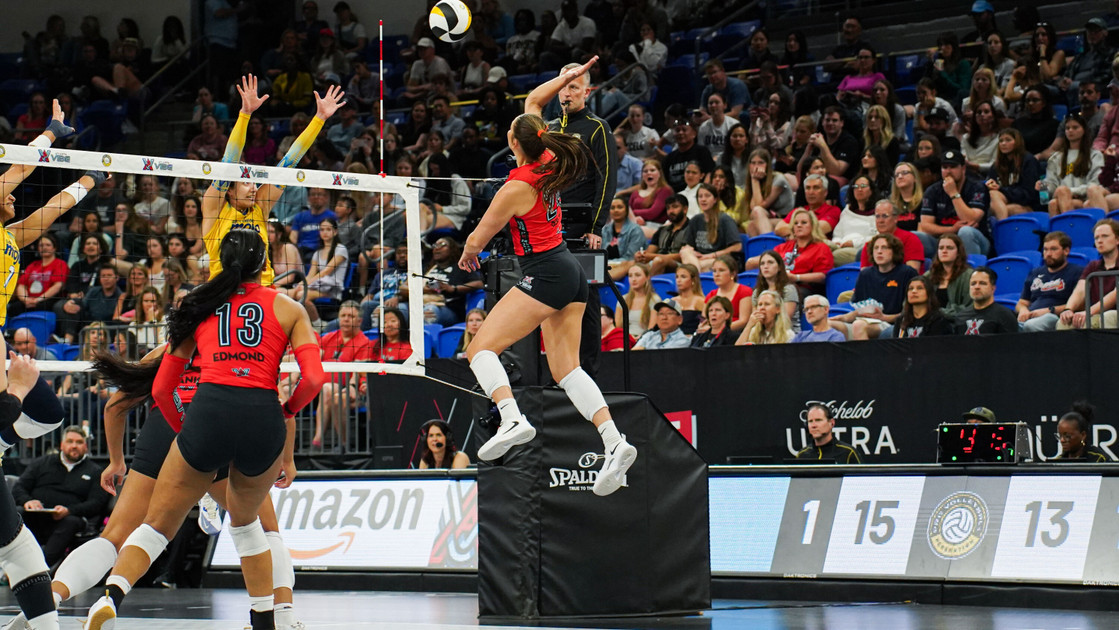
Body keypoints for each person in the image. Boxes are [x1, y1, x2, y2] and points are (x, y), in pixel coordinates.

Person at [83, 230, 326, 630]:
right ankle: (268, 619)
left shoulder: (200, 308)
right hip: (263, 416)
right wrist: (285, 409)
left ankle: (111, 596)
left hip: (209, 412)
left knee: (158, 523)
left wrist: (187, 431)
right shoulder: (289, 308)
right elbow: (314, 380)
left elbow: (162, 388)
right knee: (251, 527)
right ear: (264, 265)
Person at [457, 58, 637, 497]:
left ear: (513, 144)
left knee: (480, 347)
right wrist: (570, 78)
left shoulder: (516, 186)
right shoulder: (552, 157)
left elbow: (478, 239)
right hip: (570, 269)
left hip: (547, 273)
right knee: (567, 370)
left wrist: (466, 256)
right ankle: (615, 443)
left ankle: (512, 417)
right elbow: (536, 101)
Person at [203, 75, 343, 287]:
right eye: (246, 183)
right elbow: (229, 162)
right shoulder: (214, 210)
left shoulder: (260, 207)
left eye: (253, 182)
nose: (253, 188)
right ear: (229, 190)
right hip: (223, 290)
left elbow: (289, 163)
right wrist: (245, 114)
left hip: (262, 289)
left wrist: (319, 119)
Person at [13, 426, 109, 567]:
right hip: (36, 516)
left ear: (86, 447)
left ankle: (38, 569)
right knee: (17, 514)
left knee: (71, 522)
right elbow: (19, 488)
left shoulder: (96, 471)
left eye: (79, 442)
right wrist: (28, 501)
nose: (74, 446)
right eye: (70, 441)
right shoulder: (41, 463)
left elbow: (97, 503)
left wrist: (69, 510)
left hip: (69, 520)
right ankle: (12, 564)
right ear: (62, 445)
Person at [829, 234, 918, 340]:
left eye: (884, 247)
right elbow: (860, 309)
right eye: (876, 248)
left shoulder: (907, 273)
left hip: (892, 324)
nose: (879, 251)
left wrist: (884, 317)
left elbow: (913, 312)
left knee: (858, 325)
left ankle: (865, 357)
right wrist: (843, 317)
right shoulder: (865, 274)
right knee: (830, 324)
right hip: (866, 321)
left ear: (895, 251)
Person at [314, 301, 374, 450]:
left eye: (351, 316)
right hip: (320, 389)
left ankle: (335, 442)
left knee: (331, 392)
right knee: (327, 389)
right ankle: (320, 440)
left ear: (360, 321)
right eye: (343, 316)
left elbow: (358, 371)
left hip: (353, 392)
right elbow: (314, 356)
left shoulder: (364, 343)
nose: (346, 319)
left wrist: (353, 386)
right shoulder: (329, 337)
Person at [919, 149, 991, 255]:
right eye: (945, 167)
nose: (948, 171)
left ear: (963, 169)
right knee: (916, 236)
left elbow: (970, 219)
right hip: (943, 242)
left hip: (977, 240)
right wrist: (952, 229)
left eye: (953, 167)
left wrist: (953, 193)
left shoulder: (977, 188)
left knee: (965, 231)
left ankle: (971, 270)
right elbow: (926, 226)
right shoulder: (932, 190)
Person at [752, 208, 835, 297]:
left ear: (813, 226)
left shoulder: (821, 248)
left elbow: (822, 276)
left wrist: (796, 277)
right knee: (756, 293)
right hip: (776, 285)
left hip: (802, 288)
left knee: (784, 293)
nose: (799, 225)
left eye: (804, 222)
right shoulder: (783, 247)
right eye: (796, 223)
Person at [1058, 219, 1119, 330]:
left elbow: (1116, 294)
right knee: (1063, 323)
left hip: (1112, 314)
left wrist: (1089, 312)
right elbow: (1080, 290)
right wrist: (1068, 309)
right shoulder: (1093, 266)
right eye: (1096, 238)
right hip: (1096, 313)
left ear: (1117, 240)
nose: (1100, 241)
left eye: (1105, 236)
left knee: (1107, 317)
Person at [1017, 232, 1082, 332]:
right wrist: (1023, 310)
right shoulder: (1035, 273)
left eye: (1053, 249)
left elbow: (1080, 304)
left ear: (1066, 251)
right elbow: (1022, 302)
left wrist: (1050, 310)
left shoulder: (1077, 272)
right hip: (1031, 316)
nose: (1048, 254)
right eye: (1045, 249)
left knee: (1030, 325)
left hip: (1056, 317)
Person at [1041, 114, 1103, 216]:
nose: (1070, 131)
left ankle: (1070, 227)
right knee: (1053, 203)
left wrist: (1069, 191)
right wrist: (1043, 186)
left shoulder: (1095, 155)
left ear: (1084, 130)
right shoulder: (1056, 158)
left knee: (1061, 191)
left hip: (1086, 199)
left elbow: (1095, 184)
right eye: (1067, 128)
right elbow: (1050, 185)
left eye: (1075, 127)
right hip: (1062, 197)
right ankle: (1063, 230)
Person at [679, 184, 741, 272]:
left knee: (696, 266)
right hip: (699, 259)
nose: (703, 199)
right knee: (684, 251)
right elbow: (689, 245)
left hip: (720, 259)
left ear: (715, 199)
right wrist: (693, 253)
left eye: (707, 196)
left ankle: (694, 273)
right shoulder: (695, 220)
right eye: (700, 196)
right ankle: (695, 272)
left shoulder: (725, 220)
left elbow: (737, 247)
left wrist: (712, 255)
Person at [987, 128, 1043, 219]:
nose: (1003, 143)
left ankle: (1002, 231)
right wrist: (989, 185)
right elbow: (991, 184)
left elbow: (1029, 194)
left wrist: (1001, 189)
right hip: (1004, 202)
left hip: (1028, 206)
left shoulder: (1028, 161)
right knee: (993, 196)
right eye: (1001, 141)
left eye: (1008, 140)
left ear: (1017, 142)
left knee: (997, 203)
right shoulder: (996, 165)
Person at [859, 200, 924, 271]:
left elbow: (912, 273)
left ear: (896, 218)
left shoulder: (910, 239)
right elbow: (864, 276)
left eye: (885, 216)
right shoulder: (870, 245)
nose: (880, 221)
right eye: (877, 216)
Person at [743, 149, 796, 236]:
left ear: (768, 165)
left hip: (786, 219)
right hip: (772, 217)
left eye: (760, 163)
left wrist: (755, 180)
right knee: (751, 225)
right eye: (753, 163)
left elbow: (760, 205)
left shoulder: (779, 179)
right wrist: (754, 181)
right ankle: (761, 249)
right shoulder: (758, 181)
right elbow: (753, 208)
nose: (756, 166)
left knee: (757, 212)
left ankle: (768, 245)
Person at [634, 194, 690, 275]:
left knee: (659, 261)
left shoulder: (691, 228)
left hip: (681, 265)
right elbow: (649, 252)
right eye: (668, 208)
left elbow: (683, 255)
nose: (670, 211)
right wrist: (641, 256)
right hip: (657, 261)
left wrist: (653, 257)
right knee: (630, 263)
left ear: (685, 209)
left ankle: (646, 286)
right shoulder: (662, 230)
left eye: (675, 207)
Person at [773, 174, 841, 238]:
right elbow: (778, 229)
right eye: (808, 188)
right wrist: (803, 230)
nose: (811, 192)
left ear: (825, 192)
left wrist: (791, 232)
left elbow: (820, 229)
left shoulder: (833, 210)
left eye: (816, 188)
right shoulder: (798, 211)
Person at [955, 266, 1018, 335]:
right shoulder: (960, 317)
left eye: (982, 283)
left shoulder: (1005, 315)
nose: (977, 287)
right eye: (973, 284)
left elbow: (1011, 344)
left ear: (993, 288)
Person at [925, 233, 974, 317]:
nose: (944, 251)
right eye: (941, 248)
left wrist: (939, 313)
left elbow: (969, 307)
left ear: (958, 252)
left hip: (957, 323)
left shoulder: (969, 275)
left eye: (949, 248)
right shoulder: (928, 276)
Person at [795, 403, 862, 464]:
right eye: (810, 421)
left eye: (818, 420)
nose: (813, 425)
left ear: (832, 423)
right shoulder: (802, 455)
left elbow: (861, 476)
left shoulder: (848, 453)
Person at [752, 250, 802, 331]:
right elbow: (756, 319)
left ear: (779, 267)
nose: (765, 266)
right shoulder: (756, 292)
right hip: (764, 334)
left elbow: (785, 320)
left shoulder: (789, 290)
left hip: (788, 335)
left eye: (770, 262)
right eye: (762, 263)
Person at [602, 196, 644, 281]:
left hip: (626, 266)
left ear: (626, 210)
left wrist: (611, 263)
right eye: (612, 208)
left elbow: (631, 258)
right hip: (606, 266)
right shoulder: (604, 230)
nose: (616, 210)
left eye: (620, 207)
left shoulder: (635, 230)